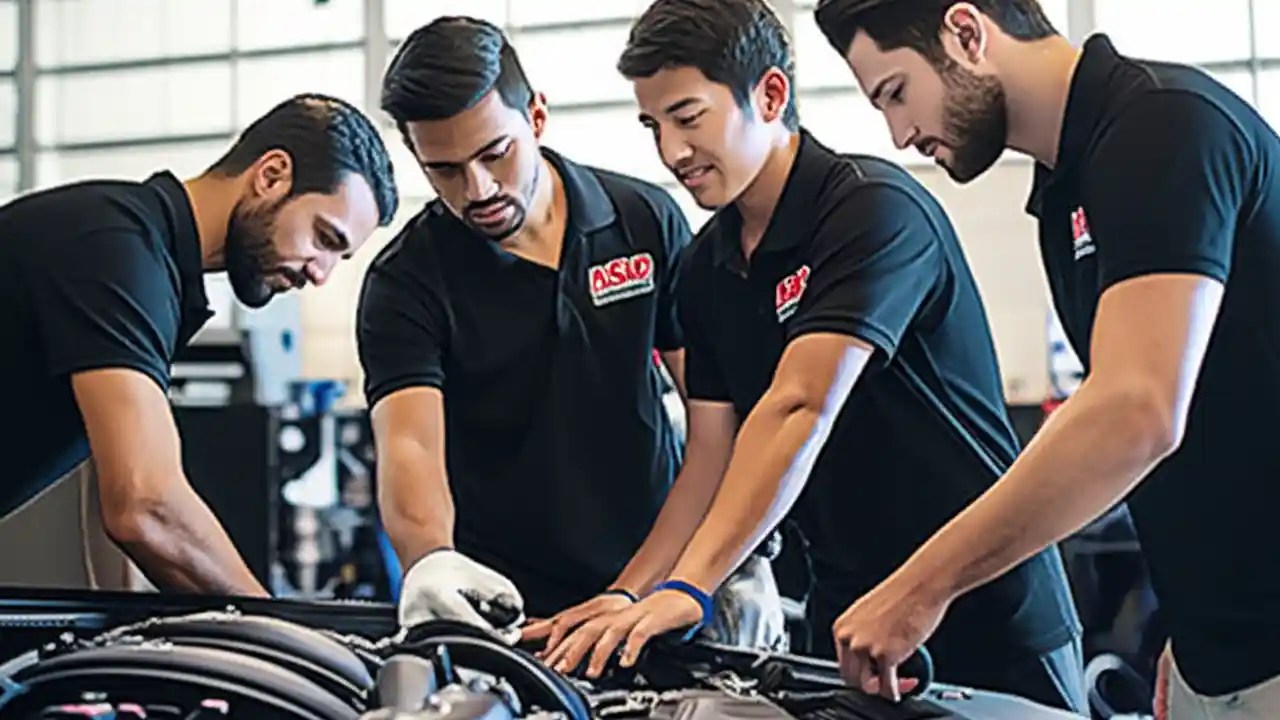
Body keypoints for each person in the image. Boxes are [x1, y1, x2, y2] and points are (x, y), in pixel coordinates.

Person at [534, 0, 1086, 711]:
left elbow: (802, 403)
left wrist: (690, 587)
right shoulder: (705, 269)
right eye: (653, 126)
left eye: (689, 117)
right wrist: (629, 592)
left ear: (769, 94)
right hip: (847, 625)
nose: (671, 152)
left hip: (983, 612)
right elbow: (709, 459)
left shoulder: (871, 211)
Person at [812, 1, 1280, 717]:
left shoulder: (1162, 127)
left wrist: (921, 588)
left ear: (966, 34)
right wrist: (1193, 633)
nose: (901, 134)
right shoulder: (1068, 194)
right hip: (1217, 652)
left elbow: (1137, 411)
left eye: (896, 93)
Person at [359, 16, 785, 650]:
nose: (477, 189)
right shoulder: (406, 281)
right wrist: (433, 564)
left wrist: (715, 561)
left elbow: (716, 417)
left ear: (534, 117)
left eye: (493, 154)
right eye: (444, 170)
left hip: (660, 583)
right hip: (515, 613)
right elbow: (411, 450)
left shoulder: (643, 220)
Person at [0, 93, 399, 596]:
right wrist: (281, 632)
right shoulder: (115, 250)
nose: (321, 274)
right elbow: (144, 504)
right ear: (271, 175)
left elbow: (107, 492)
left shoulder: (142, 261)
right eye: (325, 237)